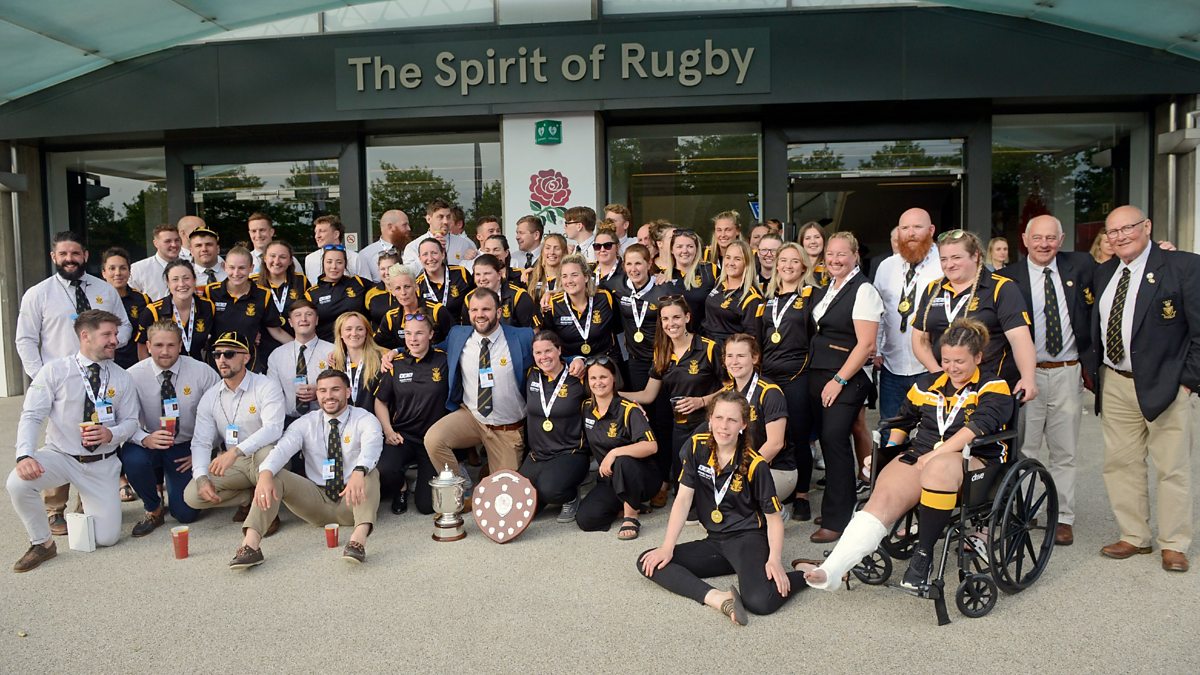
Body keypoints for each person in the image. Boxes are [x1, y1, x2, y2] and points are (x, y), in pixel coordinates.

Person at [796, 319, 1015, 592]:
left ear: (978, 357)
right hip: (924, 454)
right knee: (883, 495)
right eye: (946, 360)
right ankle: (833, 569)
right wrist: (886, 454)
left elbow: (976, 428)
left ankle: (923, 558)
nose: (951, 367)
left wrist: (935, 456)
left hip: (974, 459)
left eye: (960, 361)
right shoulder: (927, 384)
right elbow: (902, 421)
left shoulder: (993, 386)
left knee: (939, 467)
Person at [1090, 205, 1200, 573]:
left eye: (1128, 228)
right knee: (1120, 463)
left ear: (1147, 226)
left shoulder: (1183, 266)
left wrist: (1187, 382)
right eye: (1113, 231)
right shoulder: (1104, 273)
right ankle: (1134, 536)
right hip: (1117, 382)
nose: (1120, 236)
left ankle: (1174, 543)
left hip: (1167, 385)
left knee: (1172, 467)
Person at [638, 392, 805, 624]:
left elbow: (774, 519)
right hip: (715, 541)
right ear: (710, 420)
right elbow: (683, 499)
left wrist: (775, 559)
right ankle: (718, 599)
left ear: (743, 424)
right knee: (649, 562)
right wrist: (667, 546)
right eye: (719, 418)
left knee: (760, 602)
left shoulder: (755, 464)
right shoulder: (697, 447)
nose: (723, 426)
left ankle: (806, 574)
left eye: (732, 420)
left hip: (748, 539)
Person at [16, 232, 133, 534]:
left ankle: (88, 505)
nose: (70, 259)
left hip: (99, 377)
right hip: (59, 381)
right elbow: (26, 339)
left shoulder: (104, 289)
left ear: (85, 256)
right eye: (63, 254)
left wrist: (104, 349)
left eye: (75, 253)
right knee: (59, 440)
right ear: (54, 257)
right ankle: (55, 509)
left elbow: (126, 326)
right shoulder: (38, 294)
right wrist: (42, 375)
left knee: (95, 436)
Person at [7, 310, 139, 572]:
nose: (115, 340)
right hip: (61, 456)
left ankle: (89, 506)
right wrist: (25, 455)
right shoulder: (55, 371)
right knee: (18, 483)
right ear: (85, 336)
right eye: (108, 334)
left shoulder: (122, 376)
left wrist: (111, 434)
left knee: (106, 538)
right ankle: (42, 544)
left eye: (115, 334)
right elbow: (32, 415)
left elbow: (132, 422)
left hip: (101, 463)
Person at [1000, 214, 1096, 546]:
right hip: (1025, 374)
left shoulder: (1081, 267)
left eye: (1051, 238)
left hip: (1068, 372)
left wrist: (1165, 252)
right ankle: (1022, 511)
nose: (1044, 244)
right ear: (1024, 240)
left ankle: (1063, 516)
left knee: (1064, 450)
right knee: (1023, 447)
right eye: (1037, 238)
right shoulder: (1006, 277)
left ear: (1062, 238)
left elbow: (1117, 273)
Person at [231, 369, 383, 568]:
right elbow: (282, 449)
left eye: (335, 389)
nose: (329, 396)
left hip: (352, 501)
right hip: (316, 502)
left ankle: (358, 541)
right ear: (317, 394)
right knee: (273, 476)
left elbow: (373, 445)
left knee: (370, 472)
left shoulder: (365, 418)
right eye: (323, 391)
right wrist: (265, 474)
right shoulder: (306, 422)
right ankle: (250, 546)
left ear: (347, 392)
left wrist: (359, 470)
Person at [807, 232, 883, 544]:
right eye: (830, 254)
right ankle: (839, 504)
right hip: (821, 370)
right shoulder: (831, 286)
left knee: (834, 438)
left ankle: (838, 521)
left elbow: (865, 344)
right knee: (829, 440)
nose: (835, 260)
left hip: (847, 376)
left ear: (855, 256)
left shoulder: (863, 290)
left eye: (842, 254)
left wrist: (838, 381)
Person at [122, 320, 221, 537]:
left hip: (184, 446)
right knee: (133, 458)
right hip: (149, 442)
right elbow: (124, 419)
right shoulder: (131, 376)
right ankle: (153, 508)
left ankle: (178, 492)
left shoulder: (202, 372)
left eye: (171, 345)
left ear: (180, 345)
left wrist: (202, 454)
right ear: (148, 346)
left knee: (185, 514)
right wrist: (143, 438)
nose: (165, 352)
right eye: (158, 345)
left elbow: (221, 415)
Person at [912, 230, 1038, 400]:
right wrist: (941, 374)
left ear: (975, 256)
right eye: (944, 259)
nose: (949, 265)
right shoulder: (932, 290)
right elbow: (920, 339)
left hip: (990, 388)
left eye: (956, 258)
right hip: (945, 389)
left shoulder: (1001, 288)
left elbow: (1019, 339)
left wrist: (1028, 378)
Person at [181, 331, 286, 532]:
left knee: (266, 454)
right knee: (193, 495)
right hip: (235, 463)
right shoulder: (211, 396)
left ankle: (266, 514)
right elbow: (201, 442)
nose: (222, 360)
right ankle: (248, 496)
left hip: (264, 455)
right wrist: (202, 476)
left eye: (229, 354)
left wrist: (235, 451)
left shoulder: (266, 386)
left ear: (246, 357)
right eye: (217, 354)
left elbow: (273, 429)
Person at [424, 289, 534, 476]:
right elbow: (430, 351)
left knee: (504, 494)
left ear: (498, 312)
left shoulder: (522, 337)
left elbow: (550, 354)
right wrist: (396, 352)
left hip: (506, 429)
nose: (479, 315)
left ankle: (490, 471)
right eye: (474, 310)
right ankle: (460, 484)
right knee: (434, 440)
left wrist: (576, 361)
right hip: (473, 417)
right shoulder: (458, 335)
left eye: (486, 309)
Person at [621, 295, 723, 489]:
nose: (671, 324)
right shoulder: (661, 351)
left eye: (676, 317)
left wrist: (702, 401)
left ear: (687, 317)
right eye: (665, 319)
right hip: (680, 427)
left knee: (707, 483)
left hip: (709, 425)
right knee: (681, 486)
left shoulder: (709, 348)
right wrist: (614, 395)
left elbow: (732, 387)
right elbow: (648, 395)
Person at [757, 242, 816, 521]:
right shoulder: (766, 298)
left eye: (795, 261)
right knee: (772, 435)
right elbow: (760, 338)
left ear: (804, 266)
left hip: (797, 376)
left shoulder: (811, 297)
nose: (788, 266)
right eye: (783, 261)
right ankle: (785, 486)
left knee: (799, 435)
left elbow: (815, 338)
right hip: (769, 378)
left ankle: (802, 494)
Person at [575, 356, 658, 537]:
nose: (598, 383)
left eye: (603, 377)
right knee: (586, 519)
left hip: (641, 477)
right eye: (593, 378)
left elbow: (651, 446)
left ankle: (631, 516)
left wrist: (615, 452)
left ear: (614, 378)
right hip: (609, 480)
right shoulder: (586, 408)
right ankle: (625, 505)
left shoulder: (629, 409)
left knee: (622, 461)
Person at [873, 208, 943, 423]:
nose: (910, 233)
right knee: (889, 433)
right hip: (891, 367)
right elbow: (878, 312)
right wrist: (875, 349)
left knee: (932, 433)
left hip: (931, 367)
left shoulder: (944, 264)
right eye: (905, 228)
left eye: (917, 227)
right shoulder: (886, 267)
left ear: (931, 230)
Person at [374, 310, 446, 515]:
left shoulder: (444, 360)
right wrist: (388, 431)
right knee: (384, 469)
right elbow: (380, 401)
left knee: (425, 507)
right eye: (408, 333)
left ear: (431, 334)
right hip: (402, 436)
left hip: (431, 440)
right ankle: (401, 487)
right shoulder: (395, 364)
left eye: (419, 333)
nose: (413, 339)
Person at [520, 331, 590, 522]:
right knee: (522, 502)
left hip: (570, 452)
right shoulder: (531, 374)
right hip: (538, 454)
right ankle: (546, 492)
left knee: (550, 490)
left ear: (559, 350)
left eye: (548, 351)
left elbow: (606, 390)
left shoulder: (578, 375)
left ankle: (571, 495)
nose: (544, 357)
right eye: (538, 353)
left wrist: (578, 358)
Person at [718, 334, 793, 510]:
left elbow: (775, 444)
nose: (734, 361)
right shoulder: (727, 393)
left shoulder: (770, 392)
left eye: (741, 356)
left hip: (774, 469)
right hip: (738, 467)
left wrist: (742, 472)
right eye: (730, 356)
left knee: (736, 504)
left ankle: (775, 513)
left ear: (755, 358)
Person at [202, 245, 286, 372]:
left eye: (242, 268)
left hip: (248, 360)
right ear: (224, 267)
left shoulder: (263, 294)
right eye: (231, 267)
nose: (236, 273)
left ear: (251, 268)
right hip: (218, 360)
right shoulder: (211, 291)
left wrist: (301, 345)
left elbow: (276, 331)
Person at [266, 299, 335, 428]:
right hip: (288, 422)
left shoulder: (333, 351)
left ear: (317, 320)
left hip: (324, 420)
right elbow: (273, 395)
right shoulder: (277, 355)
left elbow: (343, 387)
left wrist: (320, 392)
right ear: (291, 322)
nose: (303, 319)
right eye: (298, 315)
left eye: (309, 314)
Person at [545, 253, 620, 366]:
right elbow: (550, 339)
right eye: (564, 276)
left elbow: (619, 327)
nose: (569, 280)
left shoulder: (605, 297)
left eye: (574, 275)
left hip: (605, 363)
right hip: (573, 366)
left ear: (586, 277)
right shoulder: (554, 304)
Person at [141, 260, 217, 363]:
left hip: (198, 371)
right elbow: (142, 348)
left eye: (186, 278)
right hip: (165, 371)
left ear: (194, 280)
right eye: (175, 279)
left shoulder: (208, 306)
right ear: (168, 283)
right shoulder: (153, 311)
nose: (181, 284)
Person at [375, 263, 452, 351]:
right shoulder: (391, 318)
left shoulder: (436, 310)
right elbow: (374, 345)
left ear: (416, 287)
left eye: (407, 286)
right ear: (392, 292)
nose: (403, 292)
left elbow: (455, 338)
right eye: (398, 288)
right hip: (405, 364)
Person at [252, 240, 309, 351]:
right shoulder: (253, 283)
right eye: (272, 256)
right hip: (262, 347)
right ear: (265, 258)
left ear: (290, 261)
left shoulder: (301, 281)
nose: (276, 261)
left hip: (296, 344)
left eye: (282, 257)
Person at [702, 240, 762, 344]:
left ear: (747, 263)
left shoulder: (751, 297)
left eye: (737, 259)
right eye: (728, 257)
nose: (731, 263)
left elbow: (751, 339)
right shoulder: (719, 283)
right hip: (706, 348)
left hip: (726, 352)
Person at [306, 244, 369, 342]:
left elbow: (383, 291)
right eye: (329, 262)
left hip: (357, 343)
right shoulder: (311, 293)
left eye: (339, 262)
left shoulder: (358, 283)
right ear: (323, 264)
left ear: (345, 264)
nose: (334, 267)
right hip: (326, 347)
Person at [100, 247, 150, 370]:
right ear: (103, 273)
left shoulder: (142, 300)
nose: (118, 273)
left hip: (135, 365)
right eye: (112, 268)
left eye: (123, 268)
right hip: (103, 363)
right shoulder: (95, 300)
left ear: (129, 271)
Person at [329, 312, 387, 412]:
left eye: (359, 329)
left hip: (375, 424)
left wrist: (396, 351)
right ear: (340, 334)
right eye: (348, 329)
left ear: (366, 333)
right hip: (346, 423)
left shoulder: (383, 357)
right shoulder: (335, 362)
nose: (354, 333)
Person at [661, 229, 718, 330]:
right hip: (674, 337)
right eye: (679, 246)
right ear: (671, 250)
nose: (685, 251)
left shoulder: (710, 270)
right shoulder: (663, 276)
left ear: (697, 249)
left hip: (705, 338)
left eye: (690, 246)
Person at [465, 254, 539, 328]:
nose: (482, 279)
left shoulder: (519, 296)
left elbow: (533, 331)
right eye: (477, 274)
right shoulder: (469, 298)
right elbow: (466, 331)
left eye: (487, 273)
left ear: (499, 275)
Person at [402, 198, 477, 269]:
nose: (445, 221)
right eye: (440, 217)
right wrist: (426, 257)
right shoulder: (414, 246)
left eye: (448, 217)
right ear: (428, 219)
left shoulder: (464, 244)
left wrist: (471, 260)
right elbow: (409, 274)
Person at [414, 237, 474, 321]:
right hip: (435, 332)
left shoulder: (461, 273)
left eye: (434, 253)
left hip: (462, 330)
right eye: (425, 254)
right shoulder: (417, 285)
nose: (430, 258)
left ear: (443, 254)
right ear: (420, 258)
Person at [303, 215, 371, 283]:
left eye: (322, 231)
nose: (317, 236)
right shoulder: (310, 259)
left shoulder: (355, 258)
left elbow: (367, 286)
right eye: (316, 232)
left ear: (336, 234)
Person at [129, 224, 183, 300]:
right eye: (168, 241)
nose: (174, 245)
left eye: (177, 240)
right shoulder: (138, 269)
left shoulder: (191, 266)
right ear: (156, 243)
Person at [360, 210, 412, 282]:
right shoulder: (366, 255)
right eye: (404, 225)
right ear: (390, 227)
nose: (409, 228)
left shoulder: (411, 249)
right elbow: (365, 285)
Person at [527, 232, 567, 311]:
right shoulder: (531, 276)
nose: (551, 252)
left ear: (564, 252)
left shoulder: (569, 277)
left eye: (557, 248)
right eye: (548, 248)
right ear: (542, 252)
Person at [364, 249, 404, 326]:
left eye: (390, 268)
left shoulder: (410, 290)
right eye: (382, 269)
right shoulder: (371, 293)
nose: (387, 272)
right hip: (379, 337)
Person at [591, 227, 627, 293]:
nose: (602, 250)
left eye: (607, 245)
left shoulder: (626, 272)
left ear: (617, 247)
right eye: (597, 246)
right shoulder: (588, 271)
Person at [798, 221, 828, 286]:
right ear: (802, 242)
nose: (813, 241)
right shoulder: (796, 267)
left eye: (817, 237)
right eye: (807, 238)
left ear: (824, 240)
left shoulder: (831, 267)